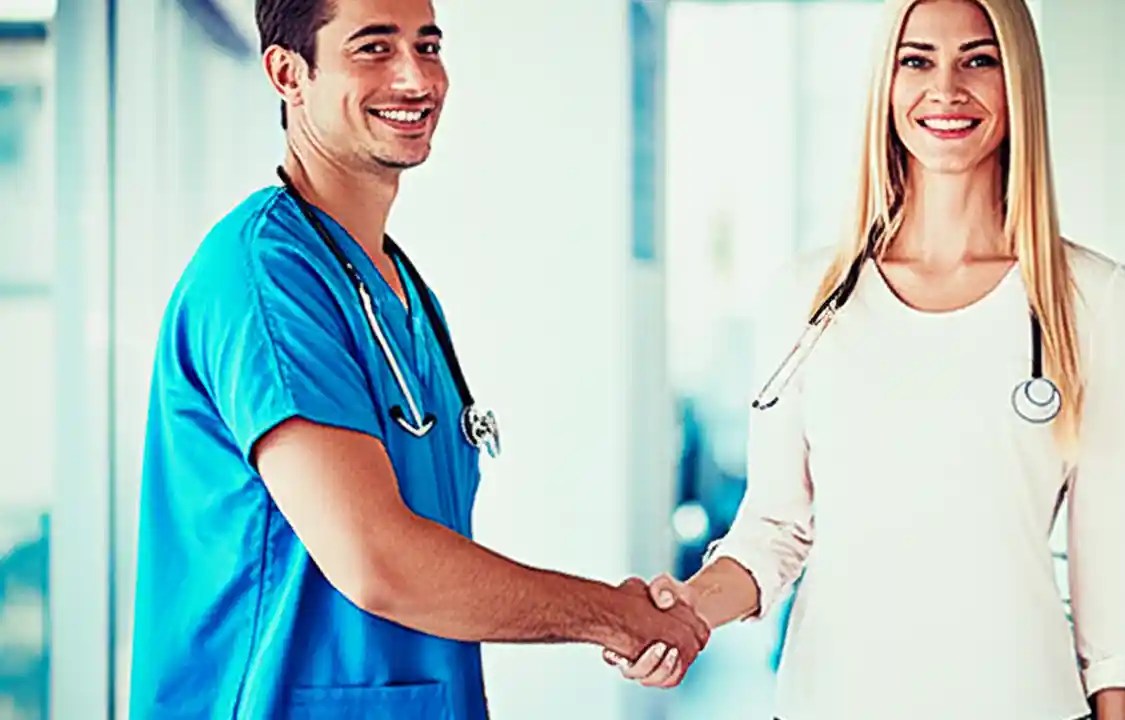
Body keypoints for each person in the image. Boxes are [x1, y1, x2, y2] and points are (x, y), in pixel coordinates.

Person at [126, 0, 709, 717]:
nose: (415, 78)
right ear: (288, 74)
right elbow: (379, 560)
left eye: (427, 46)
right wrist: (613, 615)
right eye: (373, 48)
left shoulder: (395, 286)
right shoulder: (265, 279)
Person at [605, 0, 1125, 718]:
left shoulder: (1091, 297)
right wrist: (685, 611)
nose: (947, 89)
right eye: (917, 60)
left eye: (978, 59)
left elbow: (1115, 579)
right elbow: (775, 527)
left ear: (1017, 76)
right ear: (886, 85)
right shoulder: (809, 297)